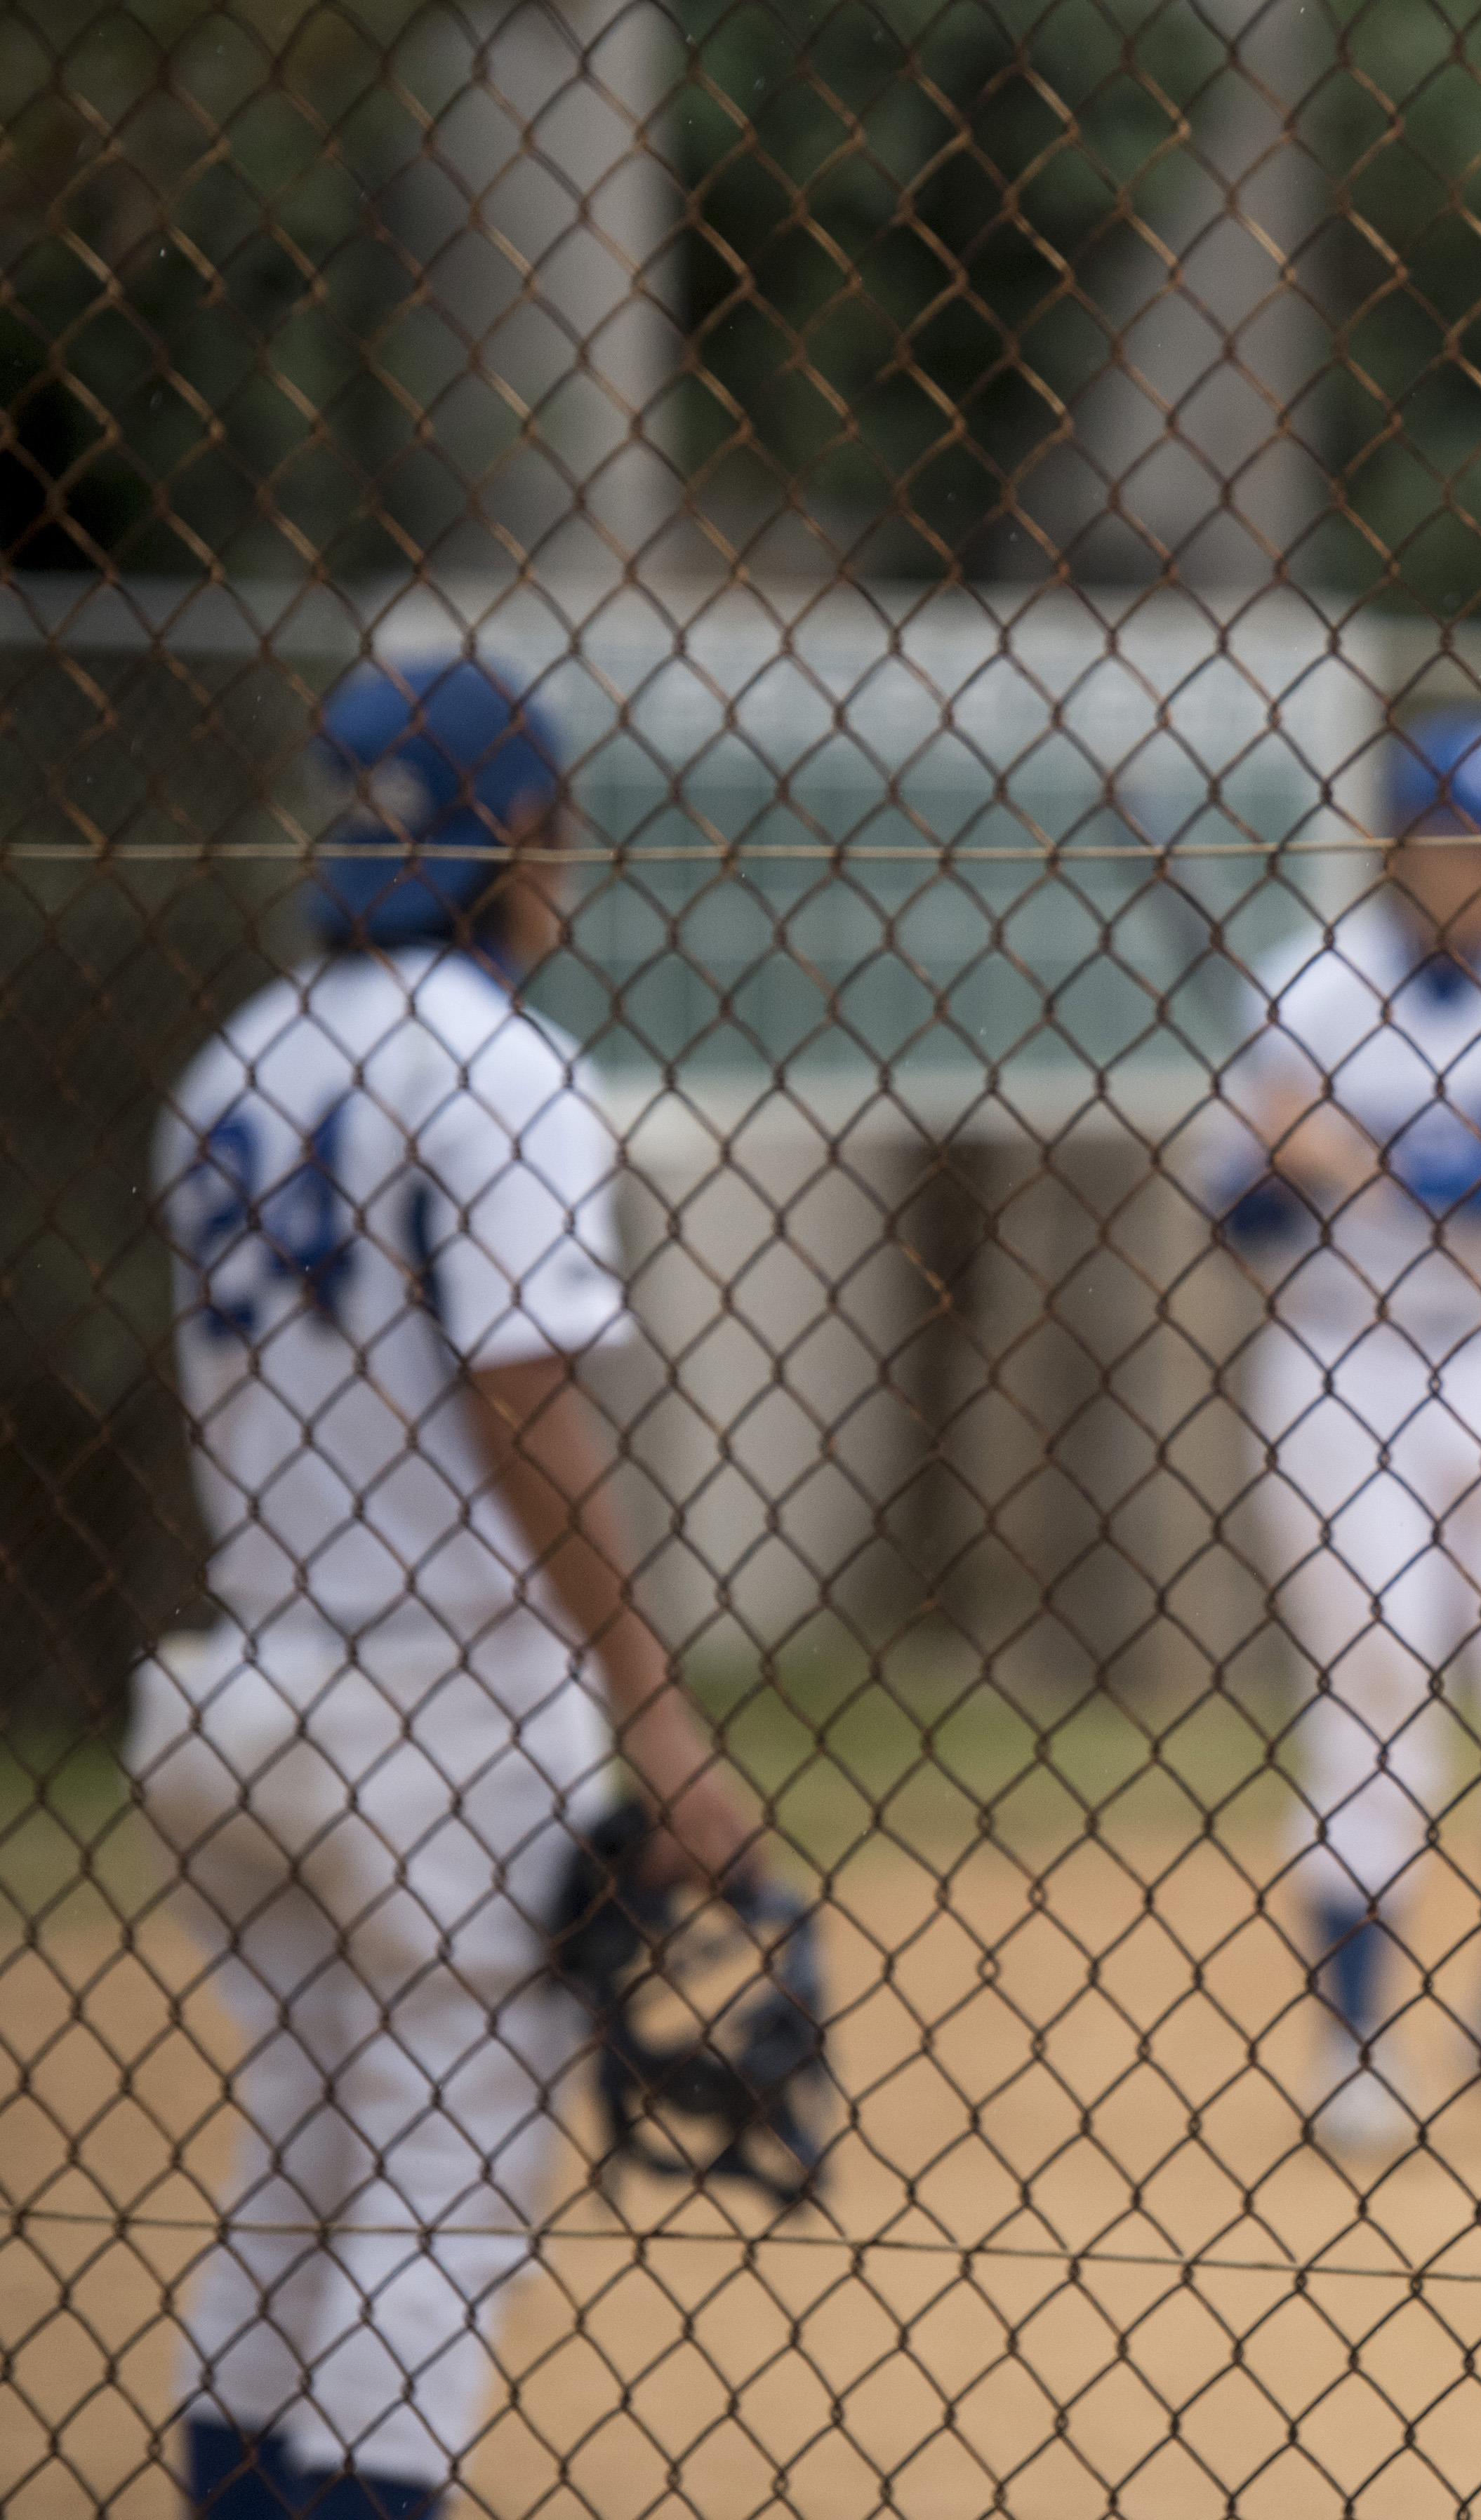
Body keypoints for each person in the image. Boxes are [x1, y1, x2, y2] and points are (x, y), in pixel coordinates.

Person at [135, 658, 764, 2520]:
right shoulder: (508, 1064)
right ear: (521, 844)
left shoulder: (232, 1057)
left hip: (245, 1680)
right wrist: (648, 1693)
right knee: (442, 2199)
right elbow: (520, 1393)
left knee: (299, 2161)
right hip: (450, 1703)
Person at [1214, 711, 1481, 2153]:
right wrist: (1286, 1165)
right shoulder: (1308, 983)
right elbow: (1235, 1213)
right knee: (1377, 1675)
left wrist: (1364, 1147)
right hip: (1337, 1364)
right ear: (1407, 840)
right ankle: (1351, 2041)